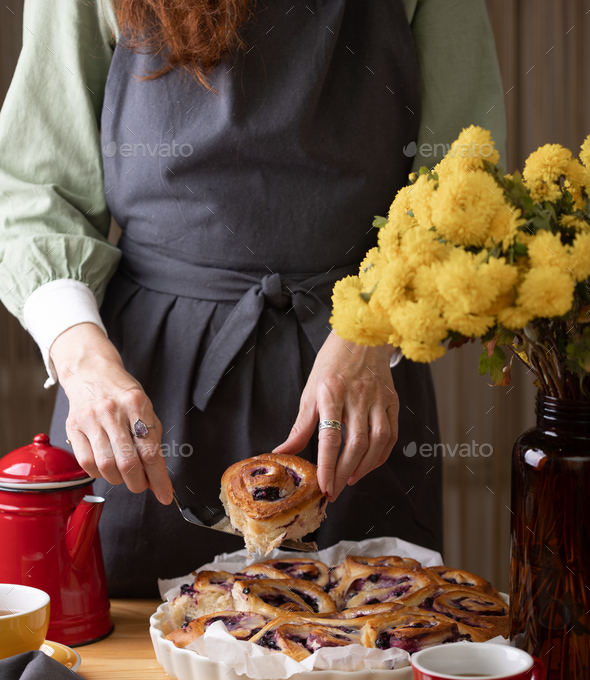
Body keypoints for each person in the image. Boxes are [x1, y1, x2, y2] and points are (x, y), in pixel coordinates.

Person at [0, 0, 506, 597]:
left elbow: (463, 185)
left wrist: (371, 330)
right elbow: (36, 192)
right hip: (138, 392)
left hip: (358, 375)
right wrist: (83, 362)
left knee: (367, 630)